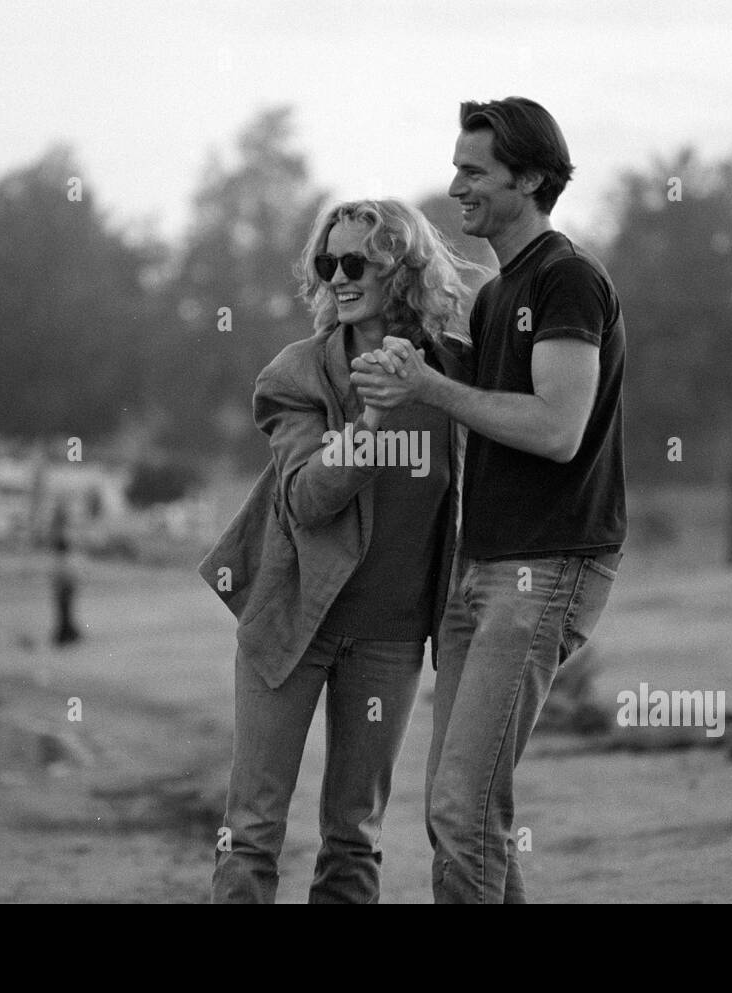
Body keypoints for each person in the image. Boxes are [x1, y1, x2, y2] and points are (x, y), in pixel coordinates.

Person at [351, 97, 628, 903]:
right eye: (457, 167)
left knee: (464, 805)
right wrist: (418, 362)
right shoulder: (500, 291)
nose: (456, 185)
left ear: (532, 177)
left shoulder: (567, 278)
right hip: (483, 570)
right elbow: (488, 405)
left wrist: (433, 385)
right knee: (458, 812)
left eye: (474, 171)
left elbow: (557, 428)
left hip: (548, 569)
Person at [198, 198, 477, 903]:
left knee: (355, 833)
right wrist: (375, 411)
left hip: (390, 638)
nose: (339, 277)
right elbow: (308, 499)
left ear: (403, 270)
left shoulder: (453, 372)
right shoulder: (296, 375)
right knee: (253, 826)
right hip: (292, 621)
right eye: (328, 263)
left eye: (357, 262)